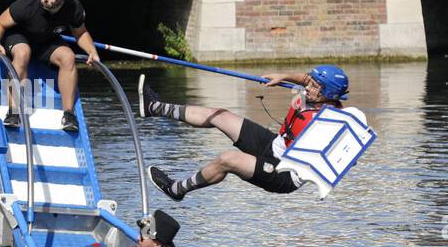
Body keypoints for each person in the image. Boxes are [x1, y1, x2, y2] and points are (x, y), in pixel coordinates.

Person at [143, 65, 363, 199]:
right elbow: (305, 78)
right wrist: (283, 76)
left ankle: (175, 190)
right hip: (274, 145)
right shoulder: (313, 92)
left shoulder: (332, 123)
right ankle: (153, 108)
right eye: (311, 82)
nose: (308, 87)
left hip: (284, 174)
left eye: (315, 86)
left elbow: (342, 155)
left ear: (329, 94)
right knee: (222, 115)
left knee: (227, 160)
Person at [0, 0, 100, 134]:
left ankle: (69, 115)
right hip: (20, 37)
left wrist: (92, 51)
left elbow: (80, 33)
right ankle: (13, 111)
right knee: (23, 53)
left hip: (46, 41)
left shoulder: (73, 7)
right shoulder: (27, 3)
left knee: (68, 56)